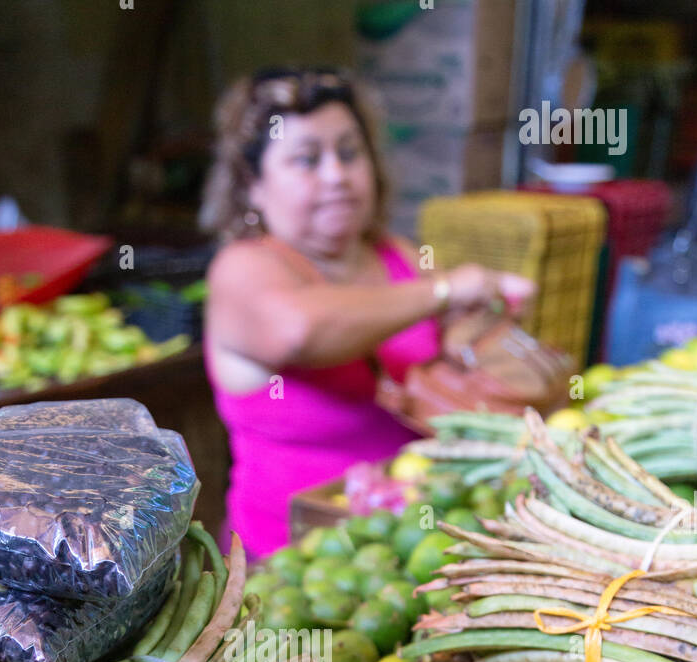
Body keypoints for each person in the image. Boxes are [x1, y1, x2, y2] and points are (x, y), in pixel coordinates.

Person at [201, 66, 535, 559]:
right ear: (253, 185)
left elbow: (452, 350)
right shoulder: (242, 269)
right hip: (288, 566)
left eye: (350, 152)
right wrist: (447, 288)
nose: (337, 175)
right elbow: (301, 330)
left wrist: (489, 316)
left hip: (410, 549)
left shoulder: (397, 255)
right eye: (307, 159)